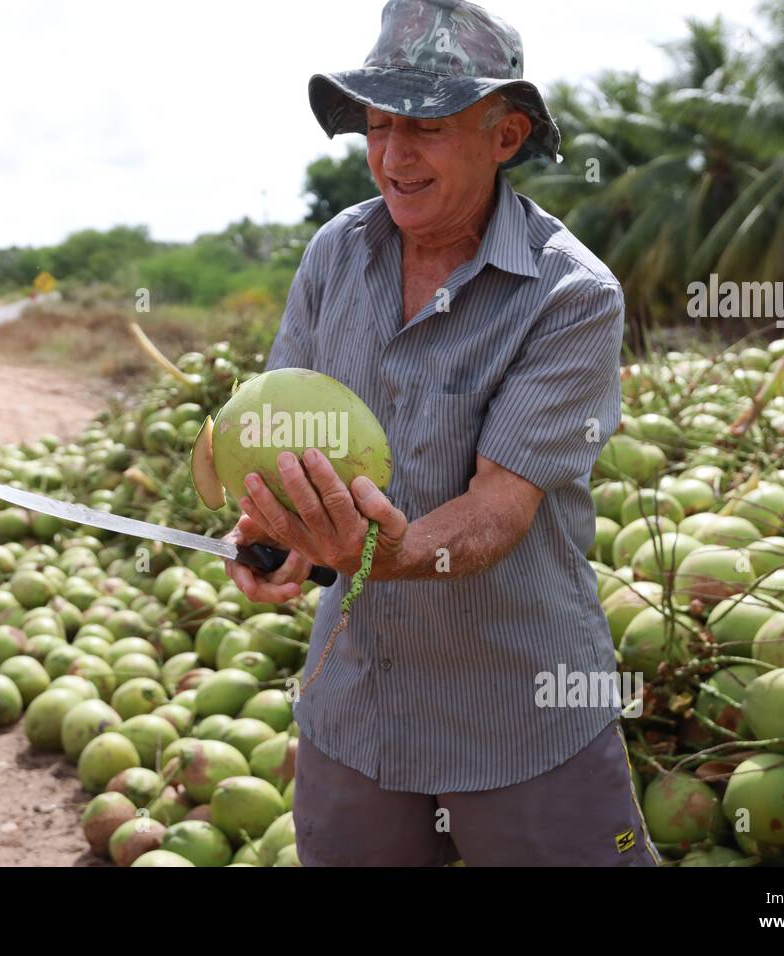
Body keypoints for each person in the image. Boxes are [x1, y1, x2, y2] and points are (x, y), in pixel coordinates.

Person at [222, 0, 660, 866]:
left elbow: (499, 509)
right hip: (360, 702)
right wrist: (272, 532)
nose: (392, 155)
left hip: (519, 707)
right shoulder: (335, 254)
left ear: (506, 136)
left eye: (424, 125)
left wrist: (385, 553)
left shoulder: (570, 294)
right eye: (380, 125)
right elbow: (282, 439)